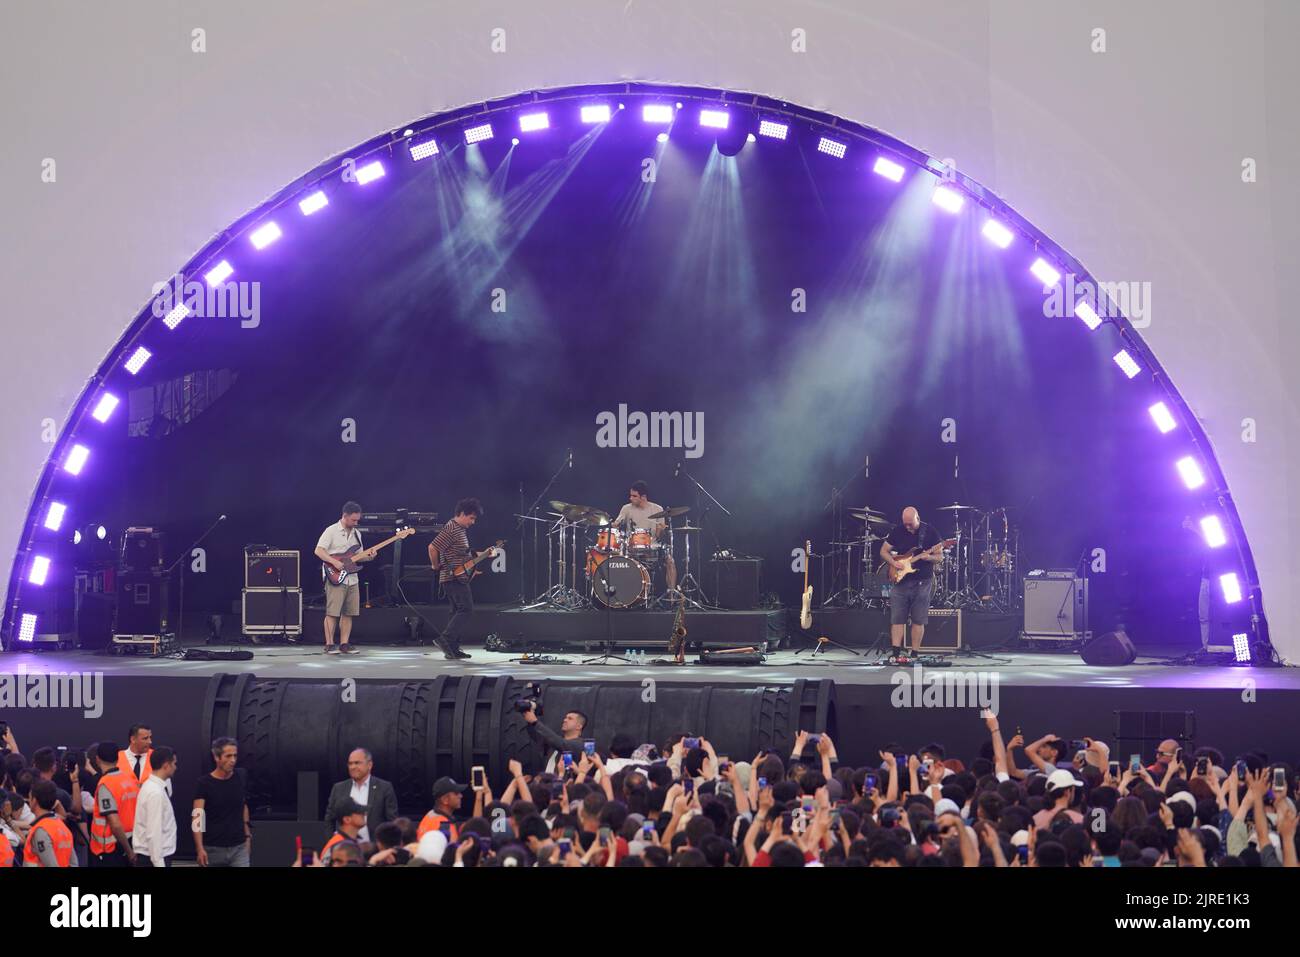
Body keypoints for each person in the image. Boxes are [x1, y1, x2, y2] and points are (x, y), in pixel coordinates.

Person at [428, 498, 492, 660]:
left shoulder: (460, 530)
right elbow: (433, 547)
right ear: (462, 514)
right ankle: (445, 639)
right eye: (471, 518)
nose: (473, 522)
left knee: (457, 611)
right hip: (452, 577)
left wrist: (482, 558)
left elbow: (463, 556)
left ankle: (452, 649)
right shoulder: (451, 528)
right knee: (466, 609)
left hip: (458, 576)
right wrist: (435, 566)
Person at [314, 501, 376, 655]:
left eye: (357, 520)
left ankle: (344, 644)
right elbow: (319, 551)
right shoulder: (331, 531)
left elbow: (358, 556)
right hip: (334, 574)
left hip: (352, 578)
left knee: (349, 612)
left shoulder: (357, 534)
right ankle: (329, 644)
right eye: (353, 520)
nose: (356, 523)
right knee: (332, 612)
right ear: (344, 516)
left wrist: (370, 556)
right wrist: (334, 562)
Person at [880, 507, 945, 652]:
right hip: (900, 581)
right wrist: (893, 562)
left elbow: (939, 557)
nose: (908, 527)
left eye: (910, 524)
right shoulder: (898, 530)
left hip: (922, 582)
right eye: (905, 524)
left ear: (918, 519)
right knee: (897, 619)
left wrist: (929, 557)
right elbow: (883, 551)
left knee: (918, 619)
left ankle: (915, 653)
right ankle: (896, 653)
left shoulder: (930, 532)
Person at [193, 737, 251, 867]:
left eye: (235, 756)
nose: (233, 760)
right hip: (212, 848)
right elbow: (197, 817)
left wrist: (247, 836)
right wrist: (199, 848)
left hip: (239, 847)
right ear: (216, 757)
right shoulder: (204, 783)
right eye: (228, 756)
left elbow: (243, 806)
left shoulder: (240, 777)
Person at [611, 481, 676, 590]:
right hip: (632, 548)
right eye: (630, 495)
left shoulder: (657, 509)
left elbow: (659, 536)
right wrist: (614, 525)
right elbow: (617, 524)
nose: (631, 498)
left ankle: (672, 594)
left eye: (634, 496)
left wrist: (661, 530)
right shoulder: (626, 508)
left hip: (652, 547)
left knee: (670, 561)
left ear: (643, 497)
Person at [324, 748, 397, 845]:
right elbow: (329, 819)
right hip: (345, 848)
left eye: (357, 763)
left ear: (369, 765)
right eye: (350, 764)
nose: (353, 767)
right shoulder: (338, 788)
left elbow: (392, 821)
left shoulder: (384, 788)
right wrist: (332, 843)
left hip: (375, 847)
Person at [89, 741, 138, 867]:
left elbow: (115, 823)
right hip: (130, 842)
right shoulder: (129, 779)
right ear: (117, 758)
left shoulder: (106, 784)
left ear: (97, 759)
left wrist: (129, 852)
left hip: (110, 850)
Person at [132, 746, 177, 867]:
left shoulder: (152, 787)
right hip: (155, 858)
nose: (175, 767)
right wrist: (159, 863)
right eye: (174, 763)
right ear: (166, 765)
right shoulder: (155, 792)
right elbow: (153, 832)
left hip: (152, 856)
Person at [522, 703, 589, 773]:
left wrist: (535, 722)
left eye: (570, 718)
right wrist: (529, 720)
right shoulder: (555, 743)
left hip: (564, 780)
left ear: (579, 726)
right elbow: (537, 736)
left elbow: (562, 744)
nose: (565, 720)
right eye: (565, 718)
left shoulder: (582, 744)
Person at [23, 780, 74, 867]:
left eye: (29, 797)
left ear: (34, 801)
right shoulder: (62, 827)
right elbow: (74, 863)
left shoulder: (41, 830)